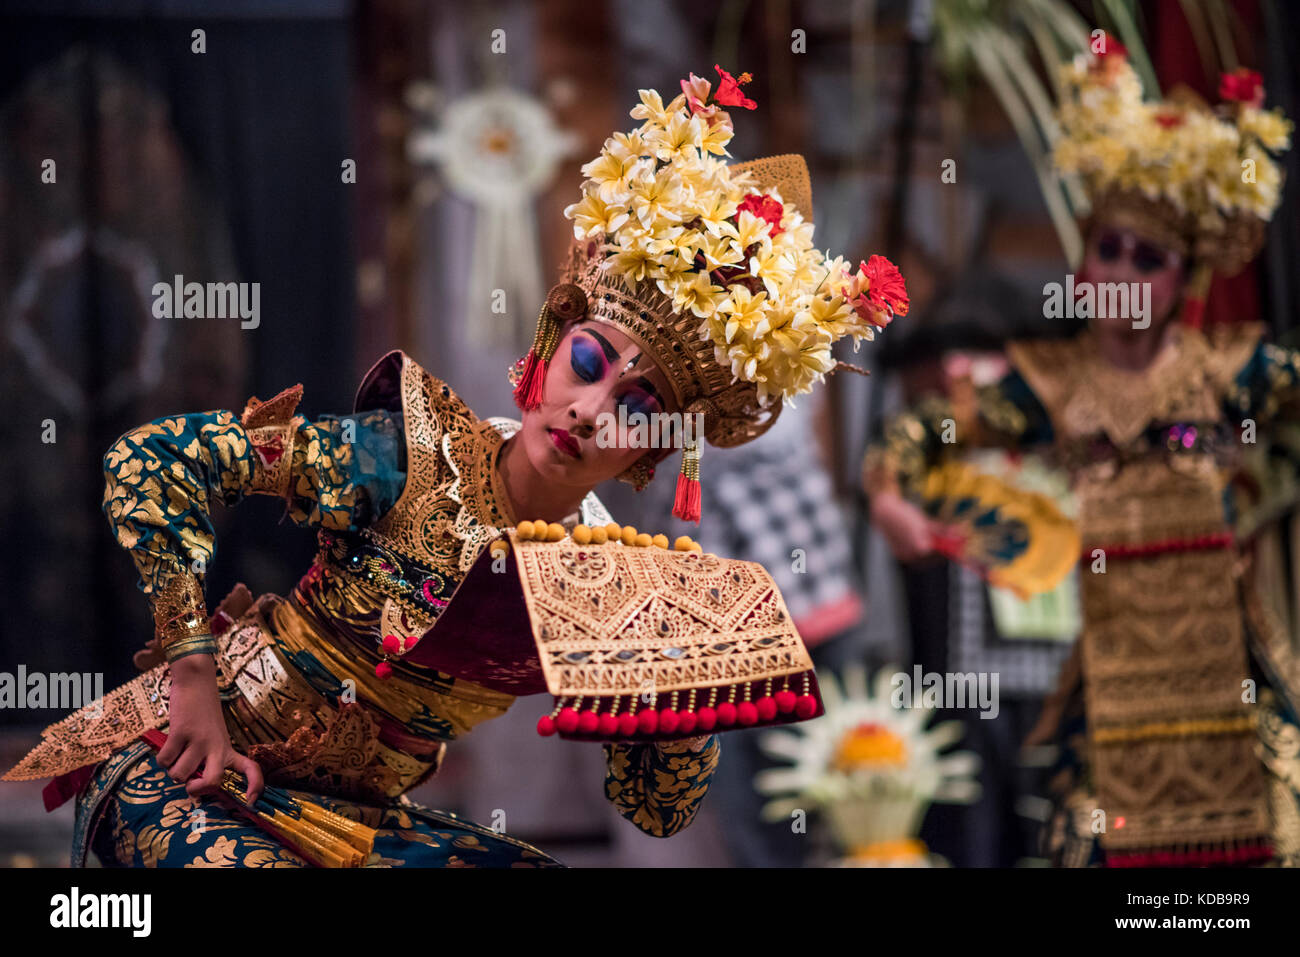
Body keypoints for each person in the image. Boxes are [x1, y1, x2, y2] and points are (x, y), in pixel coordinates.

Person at [4, 66, 907, 867]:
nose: (591, 411)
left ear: (665, 447)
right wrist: (192, 676)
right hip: (186, 768)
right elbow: (154, 459)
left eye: (641, 407)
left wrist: (685, 696)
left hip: (347, 822)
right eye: (591, 364)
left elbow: (656, 811)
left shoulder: (614, 582)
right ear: (553, 342)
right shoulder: (409, 457)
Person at [864, 46, 1299, 866]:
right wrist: (892, 501)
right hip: (1108, 699)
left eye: (1150, 259)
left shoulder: (1229, 372)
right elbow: (920, 433)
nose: (1123, 274)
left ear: (1186, 277)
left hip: (1225, 689)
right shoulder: (1048, 386)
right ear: (1084, 261)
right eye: (1110, 250)